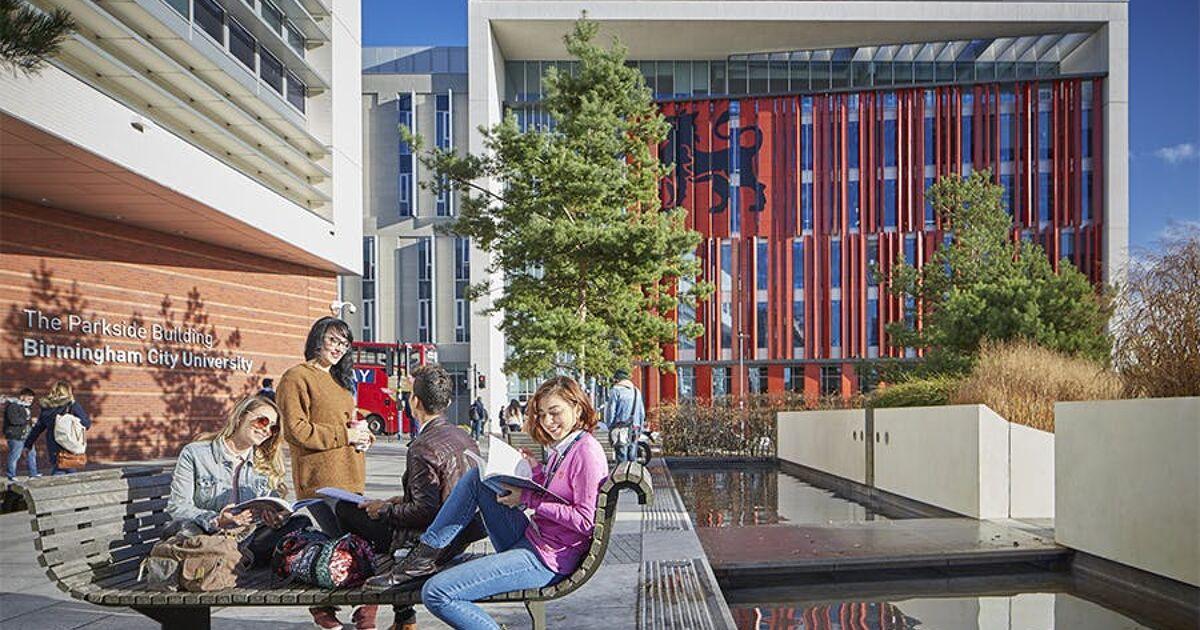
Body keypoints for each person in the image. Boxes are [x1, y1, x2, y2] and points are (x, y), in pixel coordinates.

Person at [370, 376, 608, 630]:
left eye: (554, 412)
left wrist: (527, 498)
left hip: (547, 560)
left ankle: (423, 558)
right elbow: (554, 494)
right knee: (477, 478)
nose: (547, 421)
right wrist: (533, 471)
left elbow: (584, 522)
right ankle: (426, 554)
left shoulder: (586, 453)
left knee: (436, 593)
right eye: (541, 414)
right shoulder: (566, 447)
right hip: (532, 538)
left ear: (578, 408)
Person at [344, 365, 486, 630]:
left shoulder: (423, 447)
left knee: (346, 511)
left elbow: (426, 511)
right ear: (447, 402)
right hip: (461, 533)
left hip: (431, 541)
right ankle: (401, 617)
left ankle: (378, 613)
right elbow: (444, 493)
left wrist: (383, 511)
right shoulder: (464, 436)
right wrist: (397, 500)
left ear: (414, 401)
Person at [277, 316, 376, 630]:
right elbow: (295, 431)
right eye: (333, 339)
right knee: (346, 547)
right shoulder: (296, 377)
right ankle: (341, 615)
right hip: (320, 483)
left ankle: (345, 612)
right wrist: (345, 436)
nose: (338, 348)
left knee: (355, 547)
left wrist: (362, 435)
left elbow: (345, 424)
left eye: (344, 343)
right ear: (317, 338)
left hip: (351, 478)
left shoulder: (339, 381)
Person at [164, 394, 307, 565]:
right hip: (207, 536)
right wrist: (216, 520)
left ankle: (234, 559)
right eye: (262, 421)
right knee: (184, 529)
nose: (266, 430)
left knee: (300, 523)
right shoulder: (196, 453)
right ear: (240, 417)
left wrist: (277, 519)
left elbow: (270, 509)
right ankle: (228, 560)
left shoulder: (265, 463)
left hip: (245, 539)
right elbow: (177, 506)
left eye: (273, 428)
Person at [25, 381, 92, 475]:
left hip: (54, 446)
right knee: (68, 470)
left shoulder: (47, 408)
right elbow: (87, 424)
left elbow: (37, 429)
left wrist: (28, 445)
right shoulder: (72, 405)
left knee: (59, 468)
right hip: (71, 444)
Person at [604, 369, 645, 464]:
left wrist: (610, 427)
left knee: (621, 457)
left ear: (617, 380)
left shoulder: (615, 391)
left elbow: (611, 411)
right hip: (635, 427)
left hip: (620, 428)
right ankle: (632, 477)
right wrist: (640, 428)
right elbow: (642, 412)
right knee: (632, 456)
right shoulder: (636, 391)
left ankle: (622, 477)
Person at [4, 388, 38, 480]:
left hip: (27, 435)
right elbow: (14, 420)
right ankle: (11, 475)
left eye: (32, 399)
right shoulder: (13, 406)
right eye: (29, 399)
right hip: (16, 435)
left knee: (32, 454)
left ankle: (33, 474)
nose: (31, 401)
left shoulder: (25, 407)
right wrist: (29, 421)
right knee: (15, 455)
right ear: (22, 397)